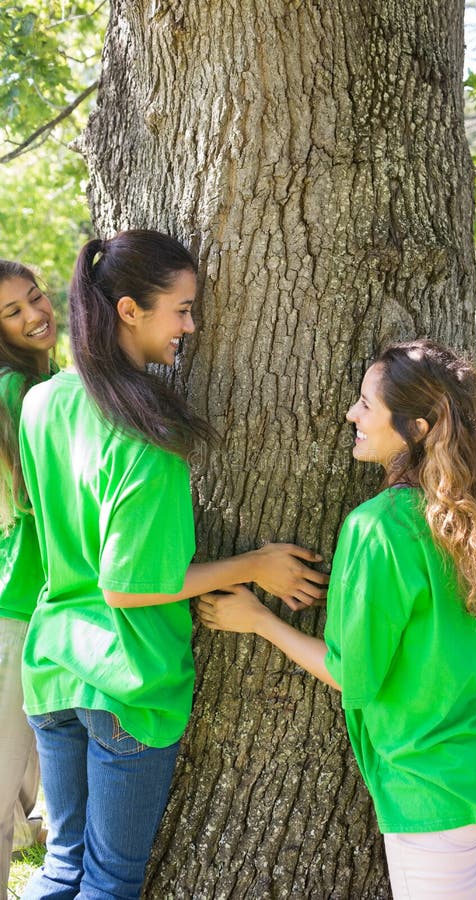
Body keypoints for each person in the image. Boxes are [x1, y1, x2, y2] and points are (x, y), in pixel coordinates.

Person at [17, 229, 328, 900]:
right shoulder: (147, 437)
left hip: (54, 664)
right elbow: (128, 587)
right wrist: (255, 566)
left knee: (63, 867)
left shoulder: (43, 402)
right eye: (181, 309)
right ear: (129, 309)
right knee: (108, 881)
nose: (191, 325)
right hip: (125, 679)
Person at [199, 339, 476, 899]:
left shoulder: (380, 528)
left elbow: (355, 675)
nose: (351, 413)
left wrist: (258, 619)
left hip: (430, 786)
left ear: (415, 428)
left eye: (367, 405)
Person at [0, 259, 57, 900]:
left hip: (50, 604)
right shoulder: (17, 391)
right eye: (12, 312)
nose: (34, 314)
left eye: (34, 297)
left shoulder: (51, 382)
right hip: (18, 604)